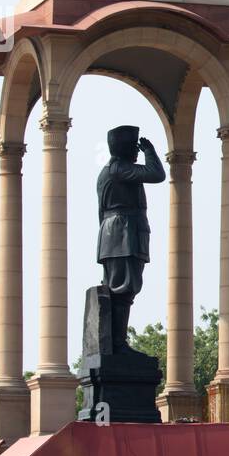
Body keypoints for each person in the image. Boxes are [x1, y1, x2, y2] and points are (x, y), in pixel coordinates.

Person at [96, 125, 165, 350]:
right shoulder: (118, 169)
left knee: (124, 289)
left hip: (116, 235)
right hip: (123, 234)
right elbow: (157, 174)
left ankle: (116, 343)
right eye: (133, 146)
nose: (136, 151)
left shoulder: (112, 170)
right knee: (122, 289)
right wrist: (150, 151)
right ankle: (117, 343)